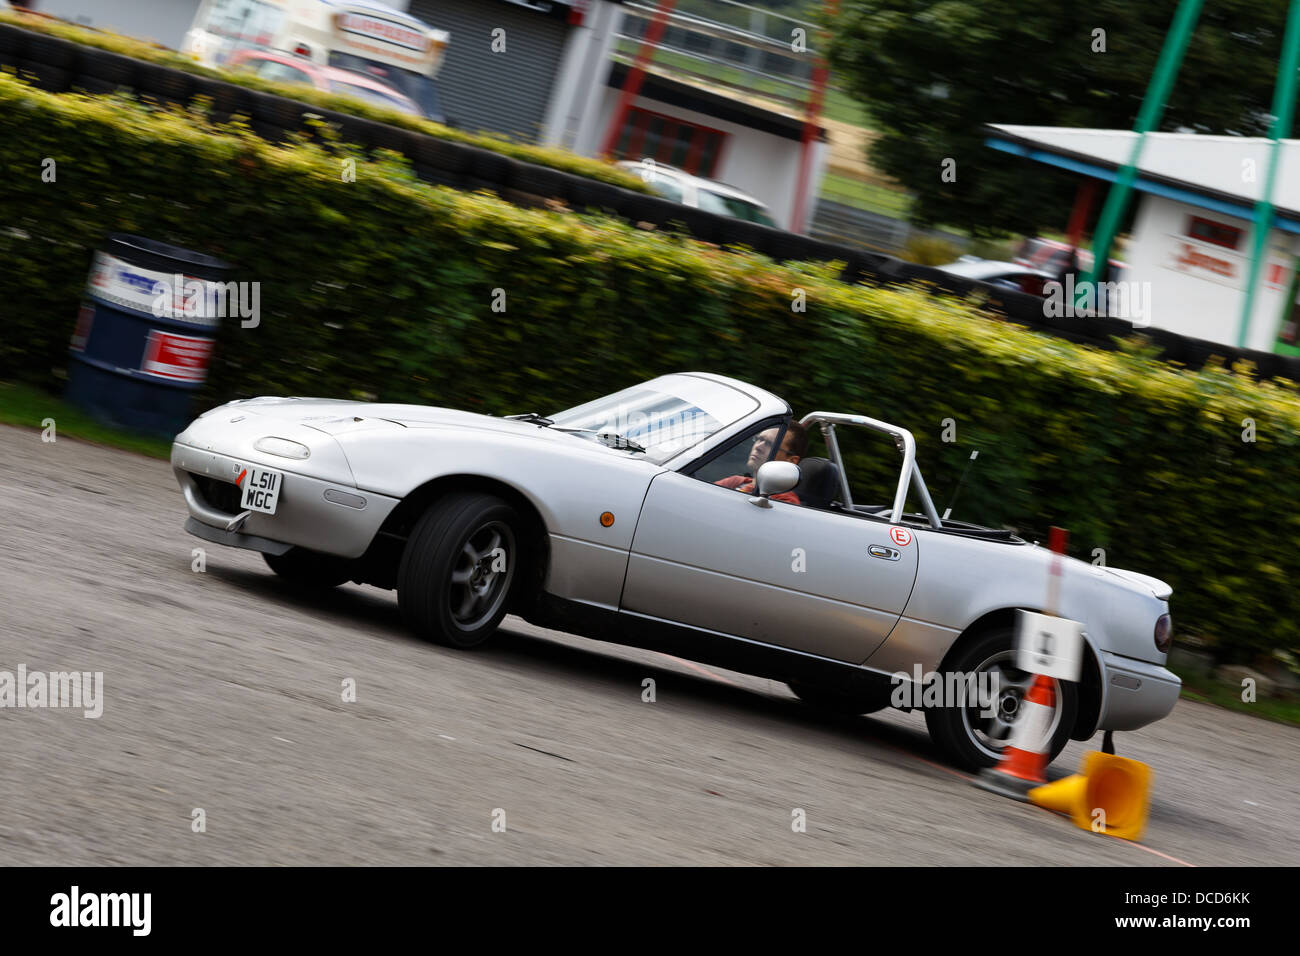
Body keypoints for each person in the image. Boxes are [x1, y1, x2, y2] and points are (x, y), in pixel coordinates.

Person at [715, 421, 807, 504]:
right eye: (759, 439)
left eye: (770, 444)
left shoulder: (786, 503)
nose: (758, 447)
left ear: (791, 461)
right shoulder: (735, 481)